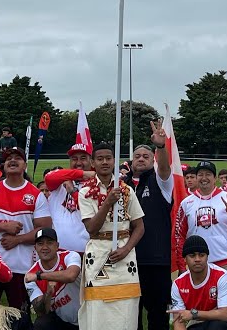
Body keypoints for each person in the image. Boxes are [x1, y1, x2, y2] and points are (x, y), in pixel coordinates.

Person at [0, 145, 52, 329]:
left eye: (17, 158)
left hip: (21, 265)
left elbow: (44, 228)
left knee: (20, 315)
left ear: (24, 165)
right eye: (8, 158)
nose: (12, 160)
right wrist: (4, 226)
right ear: (3, 166)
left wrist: (17, 239)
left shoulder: (35, 194)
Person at [79, 141, 146, 329]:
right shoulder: (85, 193)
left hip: (124, 257)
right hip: (99, 253)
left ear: (114, 161)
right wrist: (107, 202)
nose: (105, 162)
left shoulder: (126, 191)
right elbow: (91, 228)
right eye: (100, 159)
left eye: (108, 158)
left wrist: (126, 249)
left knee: (126, 308)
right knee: (98, 308)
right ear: (93, 163)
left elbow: (139, 226)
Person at [133, 122, 178, 330]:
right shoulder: (125, 185)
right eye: (137, 156)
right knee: (132, 313)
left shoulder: (159, 180)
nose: (141, 159)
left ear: (152, 160)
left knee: (157, 314)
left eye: (145, 156)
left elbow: (165, 168)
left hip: (157, 260)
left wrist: (160, 147)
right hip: (130, 260)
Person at [178, 160, 227, 272]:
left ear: (215, 178)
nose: (204, 178)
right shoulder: (186, 203)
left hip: (226, 262)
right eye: (200, 174)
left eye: (208, 174)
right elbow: (179, 236)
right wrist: (181, 265)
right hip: (196, 264)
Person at [170, 234, 227, 330]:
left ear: (207, 257)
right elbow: (178, 322)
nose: (197, 259)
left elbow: (225, 314)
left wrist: (193, 313)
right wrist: (193, 316)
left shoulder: (222, 276)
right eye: (192, 256)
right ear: (184, 259)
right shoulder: (178, 284)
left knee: (216, 327)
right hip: (197, 322)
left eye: (201, 255)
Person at [41, 143, 94, 255]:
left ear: (92, 161)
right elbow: (49, 177)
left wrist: (73, 191)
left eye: (83, 158)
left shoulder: (96, 185)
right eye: (74, 159)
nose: (78, 163)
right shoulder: (59, 184)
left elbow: (88, 211)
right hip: (58, 252)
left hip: (87, 252)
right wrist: (83, 173)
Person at [25, 227, 82, 330]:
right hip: (61, 321)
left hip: (86, 316)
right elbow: (41, 312)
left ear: (57, 246)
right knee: (41, 324)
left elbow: (71, 275)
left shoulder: (70, 256)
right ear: (35, 247)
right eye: (40, 244)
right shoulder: (30, 275)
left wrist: (40, 276)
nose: (45, 247)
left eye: (49, 243)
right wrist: (47, 294)